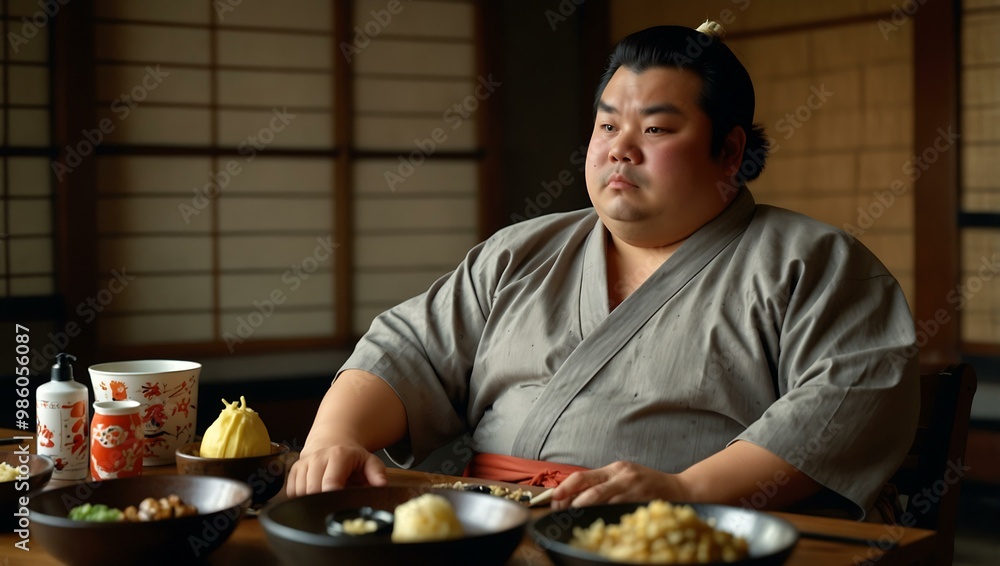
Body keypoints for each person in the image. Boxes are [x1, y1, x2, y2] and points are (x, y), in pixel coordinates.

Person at [287, 21, 919, 521]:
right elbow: (408, 349)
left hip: (685, 535)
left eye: (656, 128)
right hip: (492, 524)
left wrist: (686, 490)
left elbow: (844, 401)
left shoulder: (812, 263)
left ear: (729, 149)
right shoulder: (520, 251)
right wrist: (333, 439)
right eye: (608, 124)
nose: (620, 146)